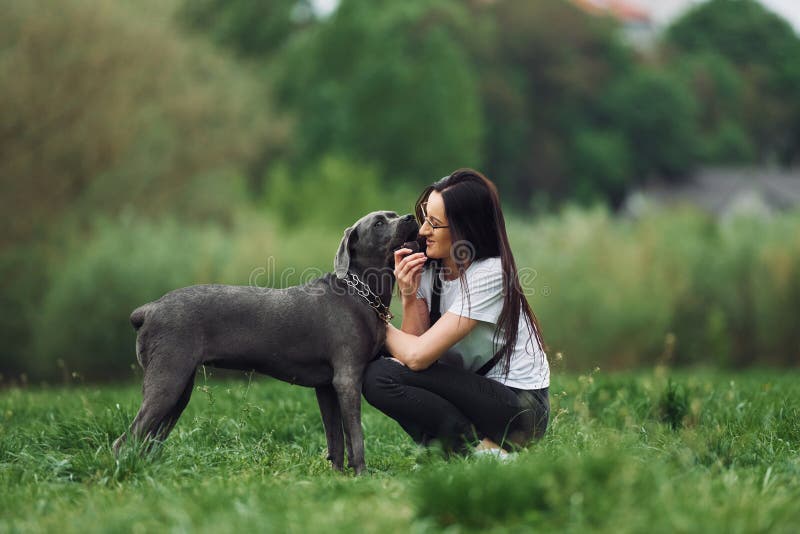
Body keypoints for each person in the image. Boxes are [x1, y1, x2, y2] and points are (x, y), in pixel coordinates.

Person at [362, 168, 550, 457]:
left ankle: (472, 451)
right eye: (425, 218)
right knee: (378, 376)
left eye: (434, 224)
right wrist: (410, 296)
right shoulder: (429, 269)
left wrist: (365, 316)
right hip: (471, 393)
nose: (423, 231)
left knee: (384, 372)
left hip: (519, 408)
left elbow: (416, 356)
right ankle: (469, 452)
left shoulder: (490, 274)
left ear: (465, 229)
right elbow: (411, 356)